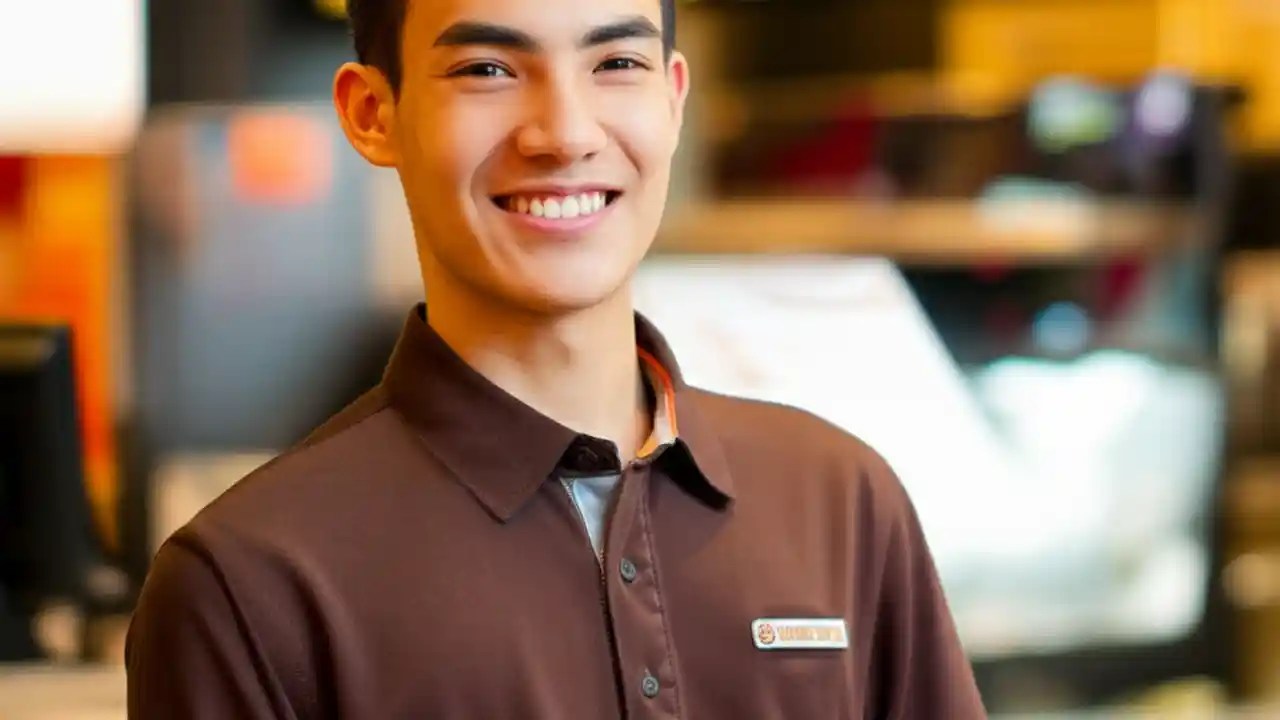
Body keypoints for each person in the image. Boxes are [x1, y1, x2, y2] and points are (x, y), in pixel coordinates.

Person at [125, 0, 987, 717]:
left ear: (675, 99)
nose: (566, 133)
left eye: (616, 64)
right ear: (372, 113)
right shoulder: (247, 585)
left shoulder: (841, 498)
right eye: (488, 70)